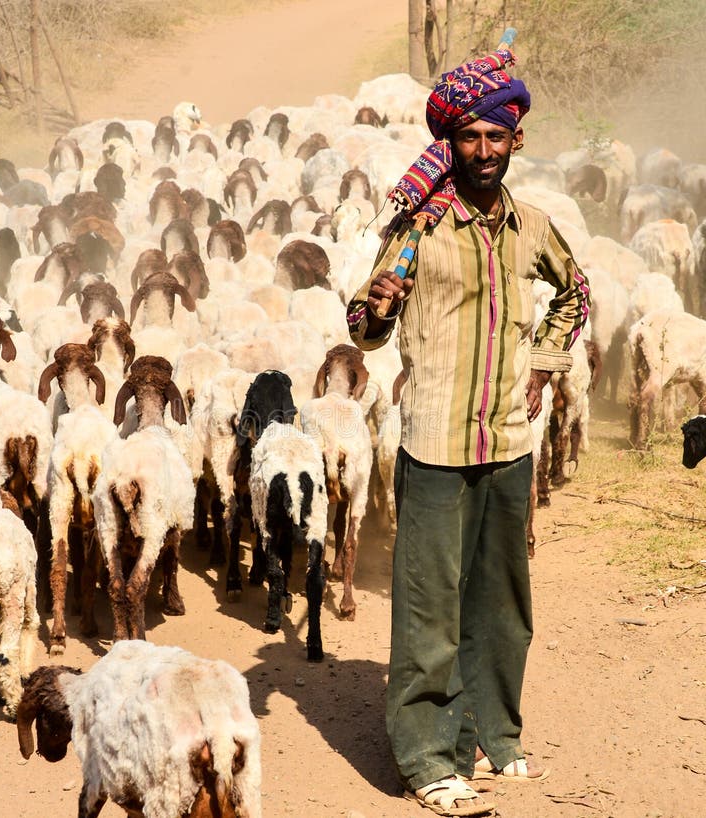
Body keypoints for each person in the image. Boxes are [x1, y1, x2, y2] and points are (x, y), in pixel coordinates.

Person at [346, 43, 590, 817]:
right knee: (430, 603)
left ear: (516, 140)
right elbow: (361, 322)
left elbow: (575, 293)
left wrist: (547, 363)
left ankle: (492, 733)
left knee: (503, 600)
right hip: (436, 444)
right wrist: (379, 307)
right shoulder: (419, 228)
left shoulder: (533, 226)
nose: (483, 151)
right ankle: (426, 755)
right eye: (469, 138)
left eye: (496, 137)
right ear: (449, 143)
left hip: (510, 442)